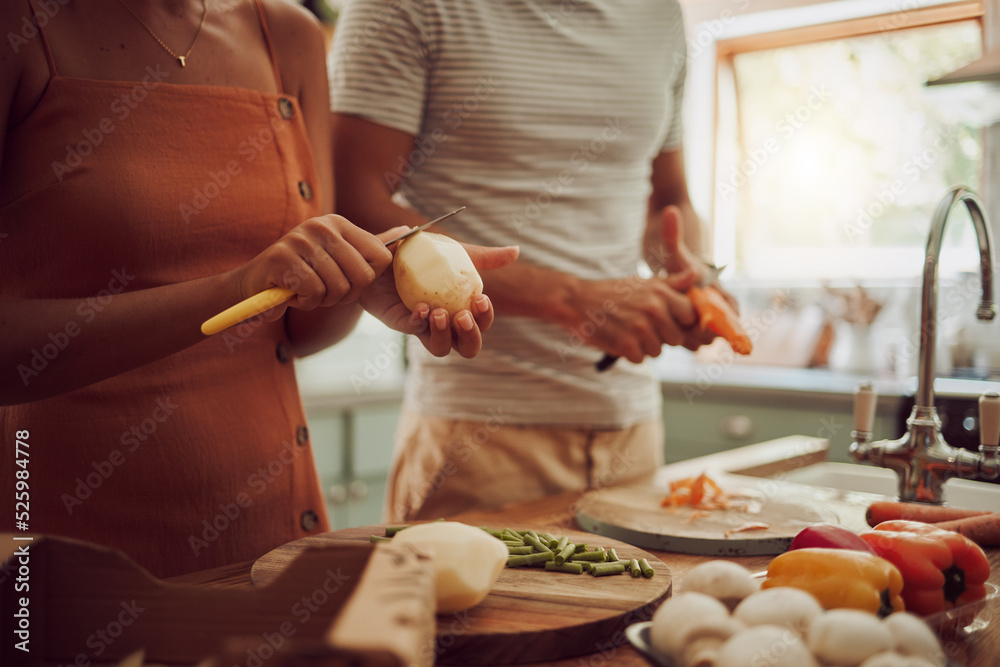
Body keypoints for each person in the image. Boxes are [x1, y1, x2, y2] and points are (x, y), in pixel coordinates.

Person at [0, 0, 515, 578]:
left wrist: (364, 278)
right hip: (64, 548)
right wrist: (235, 287)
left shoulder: (288, 34)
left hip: (269, 538)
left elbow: (299, 330)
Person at [328, 0, 729, 522]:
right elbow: (354, 204)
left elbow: (667, 199)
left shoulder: (660, 13)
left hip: (632, 429)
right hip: (476, 437)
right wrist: (573, 300)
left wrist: (688, 274)